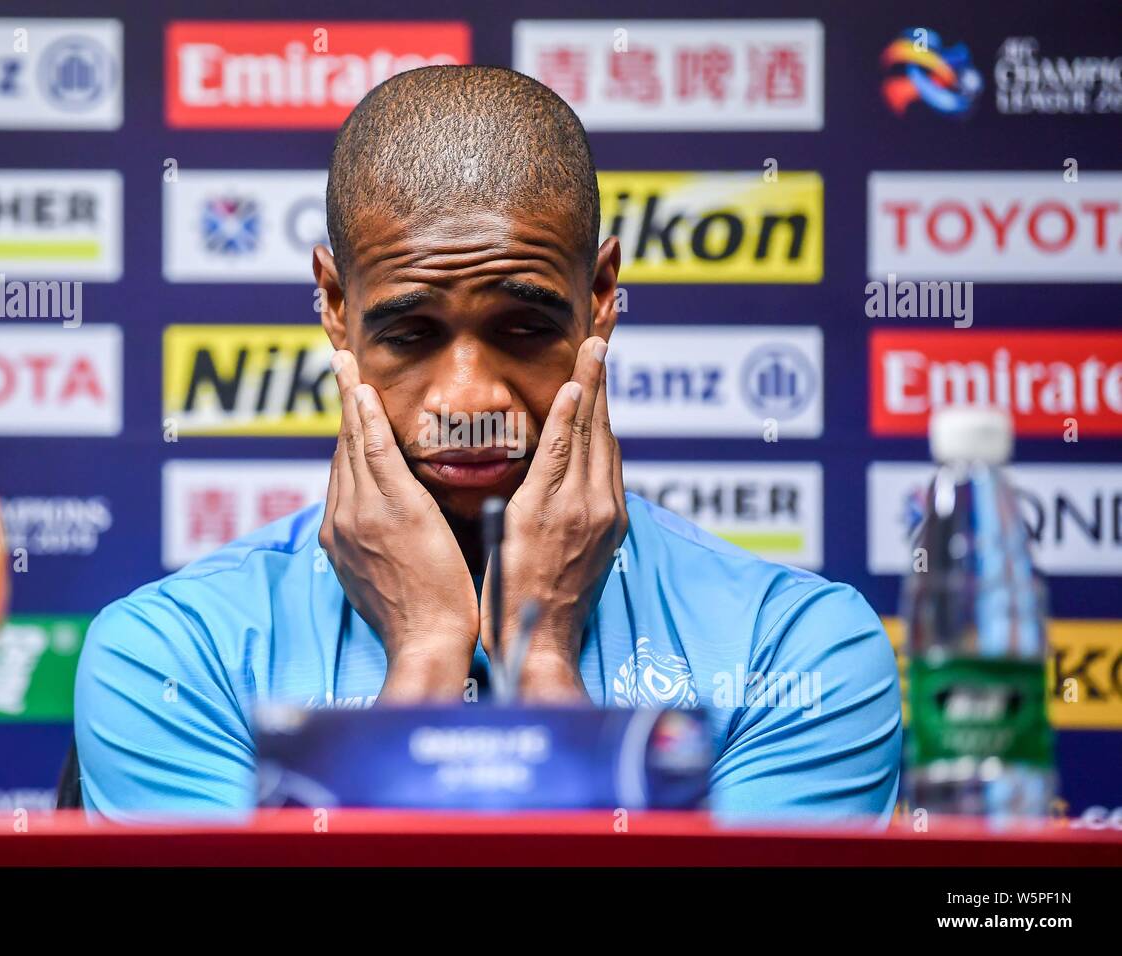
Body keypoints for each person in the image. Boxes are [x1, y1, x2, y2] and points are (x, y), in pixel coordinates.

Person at [75, 65, 901, 821]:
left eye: (523, 326)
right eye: (411, 333)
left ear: (602, 294)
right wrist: (429, 656)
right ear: (334, 303)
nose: (469, 397)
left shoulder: (800, 650)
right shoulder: (172, 657)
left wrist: (541, 658)